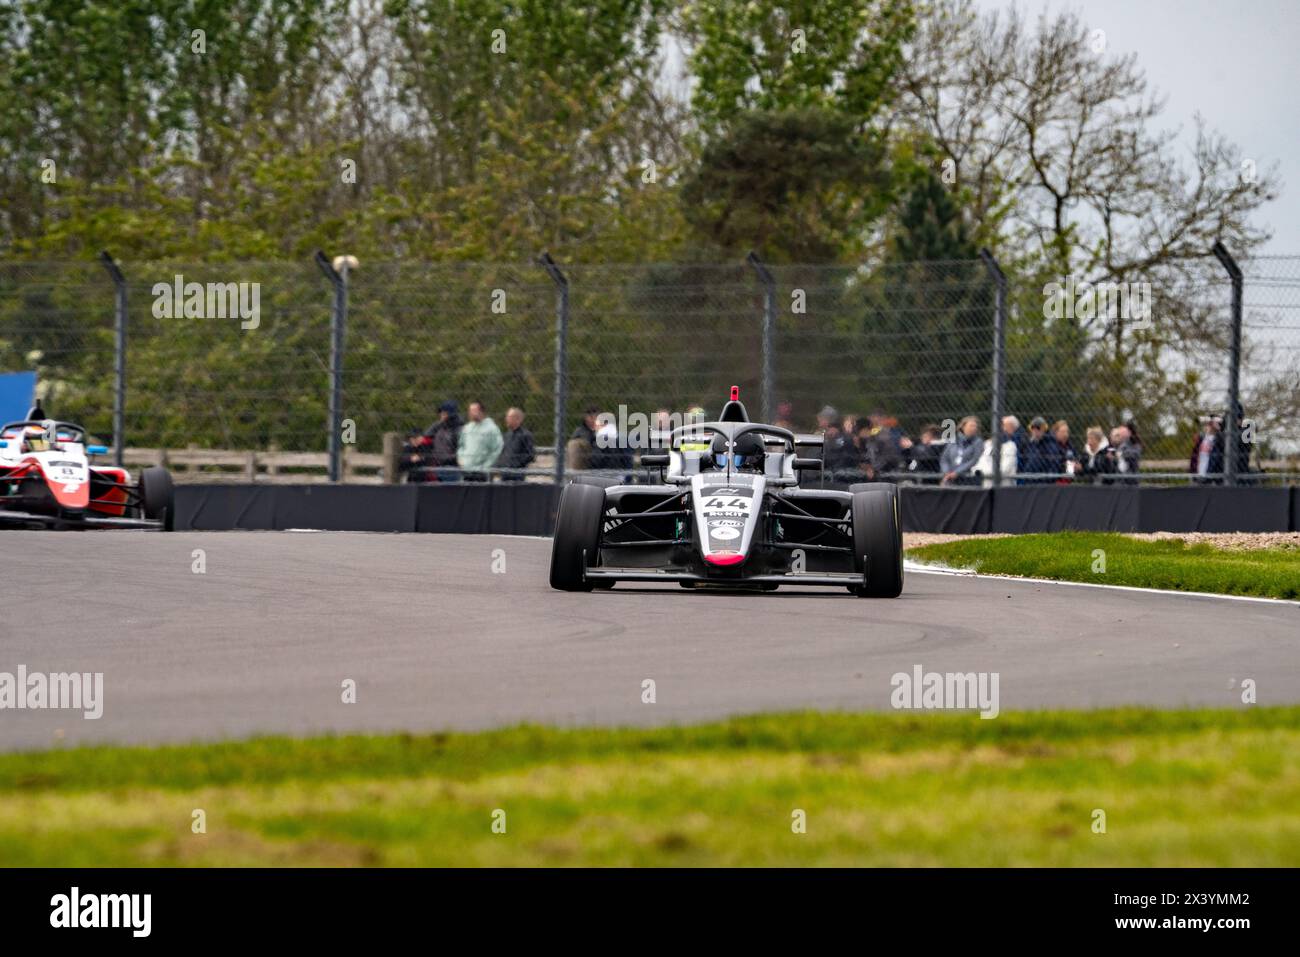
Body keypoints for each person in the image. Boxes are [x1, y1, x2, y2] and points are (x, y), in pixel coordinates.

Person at [457, 400, 504, 482]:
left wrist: (486, 466)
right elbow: (461, 445)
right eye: (470, 410)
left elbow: (497, 449)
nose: (471, 413)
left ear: (482, 412)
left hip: (482, 473)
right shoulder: (467, 428)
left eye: (474, 410)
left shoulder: (491, 429)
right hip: (466, 470)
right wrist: (461, 460)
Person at [424, 400, 463, 482]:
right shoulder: (439, 426)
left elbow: (461, 450)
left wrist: (449, 459)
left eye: (444, 413)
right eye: (441, 412)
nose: (441, 414)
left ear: (451, 414)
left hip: (452, 467)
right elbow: (426, 435)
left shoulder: (459, 429)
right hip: (438, 466)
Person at [940, 416, 983, 485]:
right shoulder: (953, 441)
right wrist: (946, 472)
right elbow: (944, 459)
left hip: (968, 478)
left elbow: (974, 460)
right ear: (963, 427)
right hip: (949, 477)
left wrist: (957, 472)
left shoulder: (978, 442)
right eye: (971, 426)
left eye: (976, 426)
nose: (974, 428)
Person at [495, 407, 535, 481]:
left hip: (517, 477)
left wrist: (514, 464)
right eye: (506, 416)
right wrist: (499, 465)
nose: (506, 419)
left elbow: (530, 455)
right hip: (504, 475)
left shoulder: (525, 435)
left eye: (509, 417)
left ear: (518, 419)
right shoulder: (506, 435)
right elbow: (502, 452)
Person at [1189, 415, 1224, 483]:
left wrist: (1219, 428)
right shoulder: (1201, 439)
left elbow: (1223, 443)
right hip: (1198, 475)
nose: (1208, 426)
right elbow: (1194, 456)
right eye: (1208, 424)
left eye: (1210, 424)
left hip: (1211, 476)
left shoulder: (1220, 439)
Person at [1022, 416, 1054, 483]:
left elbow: (1052, 466)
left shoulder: (1050, 444)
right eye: (1032, 428)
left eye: (1038, 428)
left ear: (1044, 429)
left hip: (1043, 483)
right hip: (1028, 481)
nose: (1035, 430)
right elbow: (1024, 461)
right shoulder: (1028, 444)